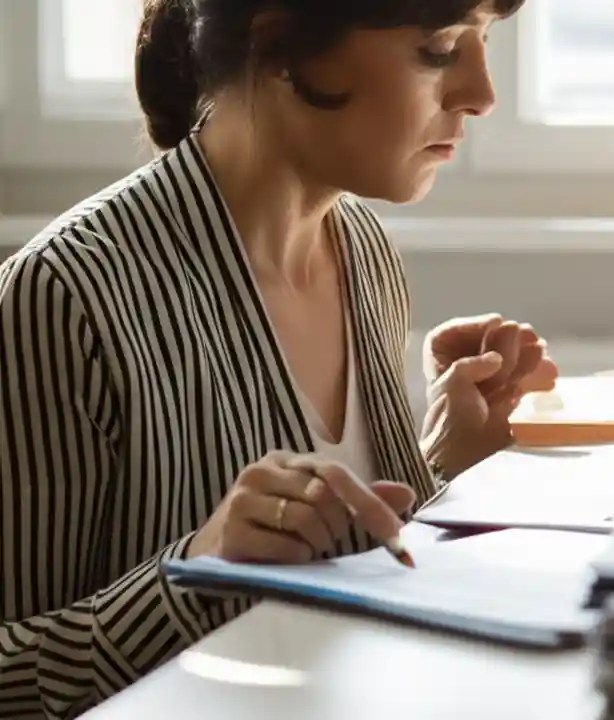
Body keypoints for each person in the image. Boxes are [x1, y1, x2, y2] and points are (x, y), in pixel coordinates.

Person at [0, 1, 557, 716]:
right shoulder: (69, 295)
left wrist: (446, 458)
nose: (481, 95)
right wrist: (195, 570)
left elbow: (337, 587)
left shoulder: (363, 251)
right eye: (441, 48)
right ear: (283, 41)